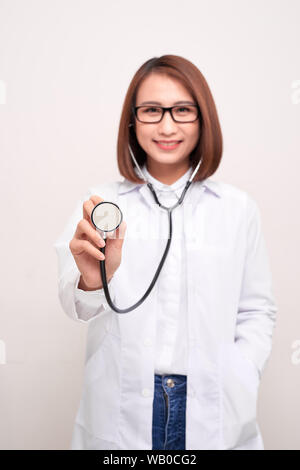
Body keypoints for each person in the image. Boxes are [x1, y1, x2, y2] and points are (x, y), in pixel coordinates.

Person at [53, 55, 278, 450]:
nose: (168, 126)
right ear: (132, 120)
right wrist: (92, 280)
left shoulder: (238, 208)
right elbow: (77, 308)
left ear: (203, 118)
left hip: (210, 405)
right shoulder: (101, 203)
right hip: (124, 406)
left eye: (183, 110)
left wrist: (242, 373)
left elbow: (257, 310)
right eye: (152, 110)